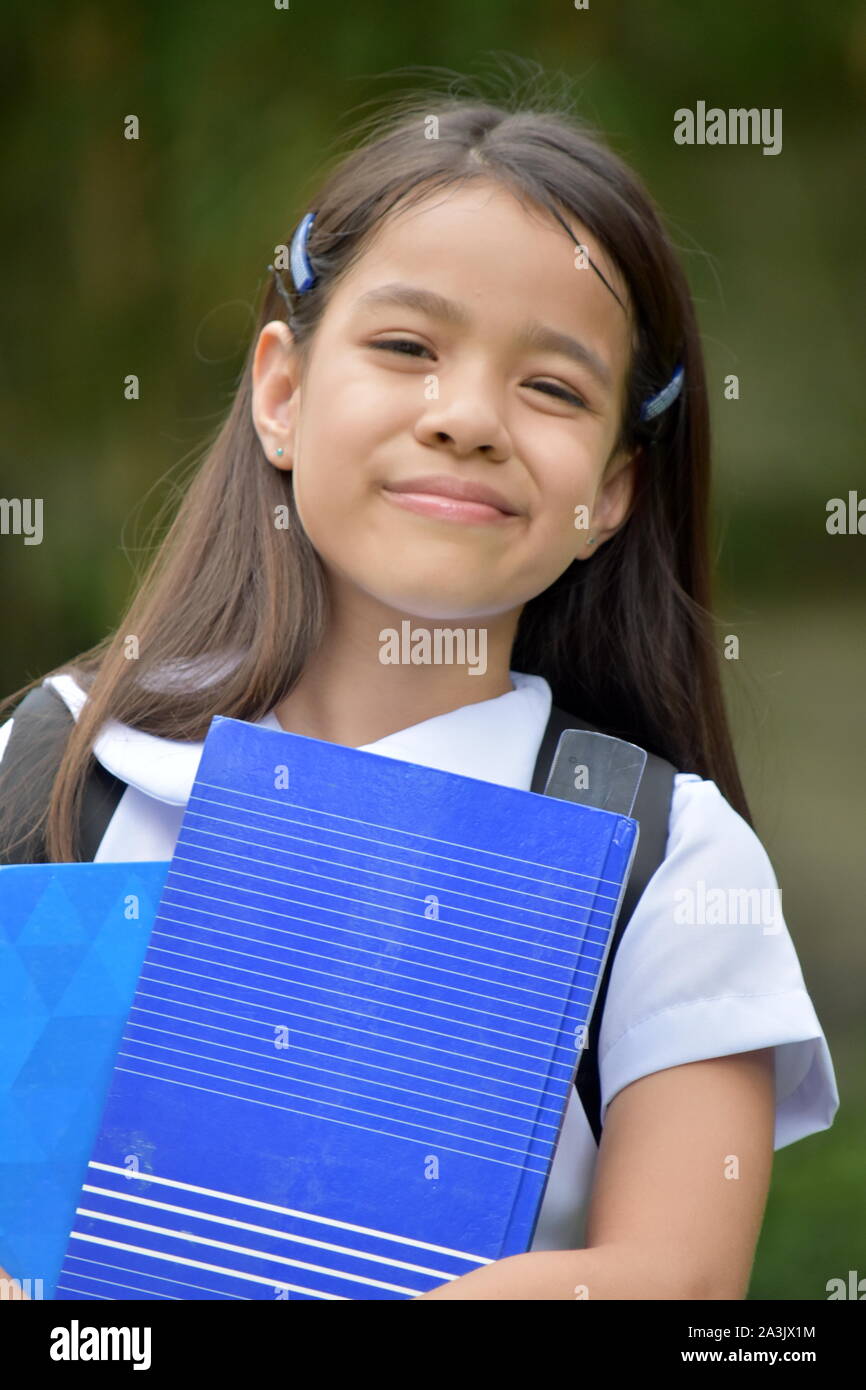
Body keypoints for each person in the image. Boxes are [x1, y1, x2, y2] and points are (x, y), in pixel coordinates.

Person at [0, 85, 838, 1300]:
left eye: (551, 387)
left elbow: (679, 1286)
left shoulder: (667, 860)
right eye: (406, 348)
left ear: (609, 494)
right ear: (280, 392)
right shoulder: (68, 765)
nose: (466, 420)